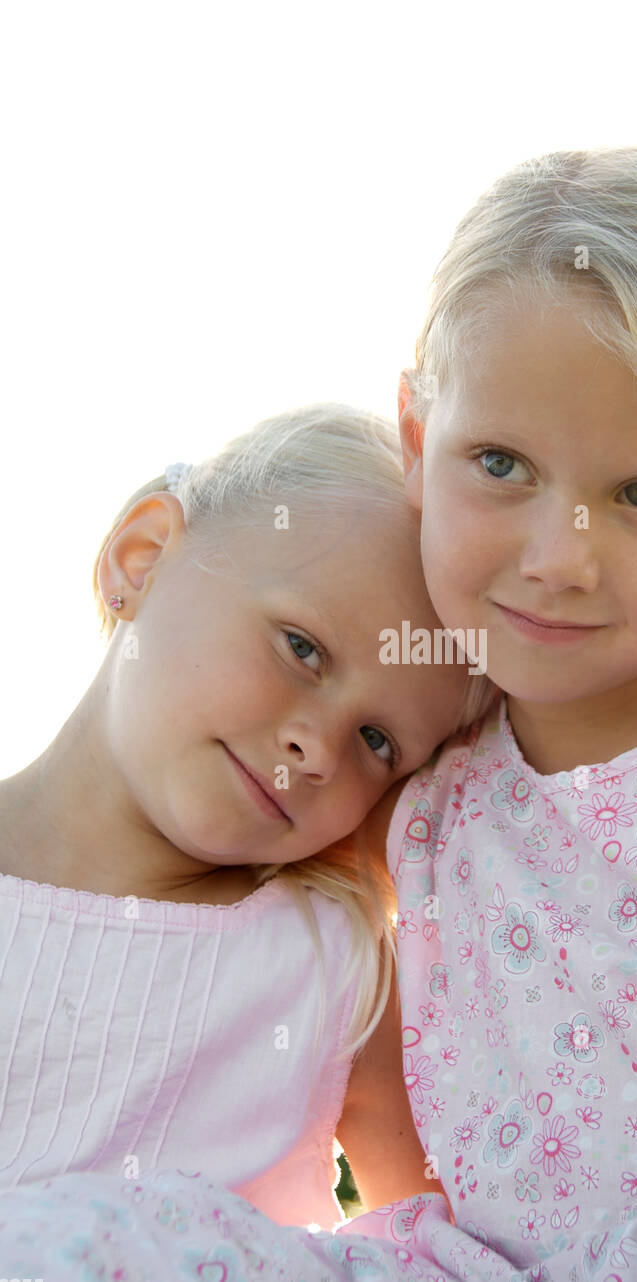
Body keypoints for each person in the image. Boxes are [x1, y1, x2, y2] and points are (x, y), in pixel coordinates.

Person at [1, 147, 637, 1282]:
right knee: (68, 1255)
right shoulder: (432, 757)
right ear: (417, 436)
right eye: (498, 462)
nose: (558, 559)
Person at [0, 401, 496, 1231]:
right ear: (143, 556)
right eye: (301, 647)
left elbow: (438, 1254)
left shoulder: (330, 964)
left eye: (377, 741)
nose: (316, 747)